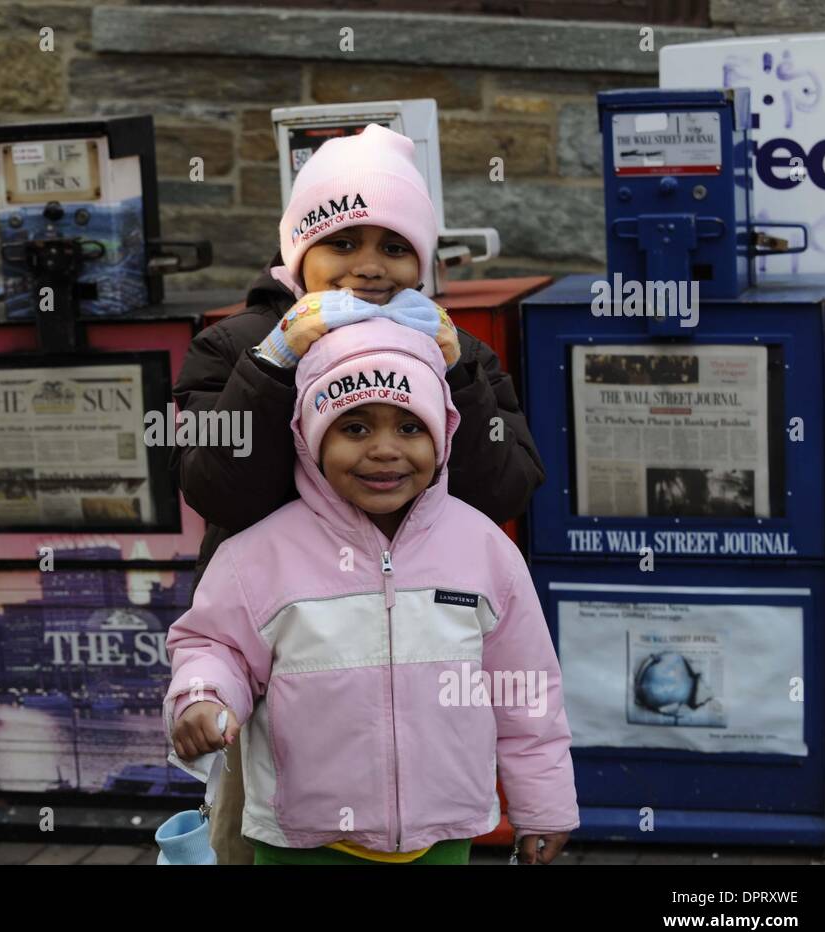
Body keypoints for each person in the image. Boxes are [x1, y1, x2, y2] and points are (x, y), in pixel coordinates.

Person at [169, 123, 546, 864]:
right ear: (297, 251)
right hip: (283, 660)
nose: (370, 268)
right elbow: (218, 486)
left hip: (418, 654)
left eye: (394, 247)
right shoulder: (236, 343)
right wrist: (274, 362)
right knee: (260, 839)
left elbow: (503, 485)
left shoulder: (458, 346)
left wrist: (460, 372)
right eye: (344, 243)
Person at [165, 316, 579, 864]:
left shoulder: (482, 547)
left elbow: (524, 690)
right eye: (355, 428)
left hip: (442, 834)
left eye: (409, 428)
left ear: (442, 435)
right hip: (302, 838)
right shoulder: (258, 553)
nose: (384, 450)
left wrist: (543, 806)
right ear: (312, 439)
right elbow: (216, 648)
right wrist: (203, 697)